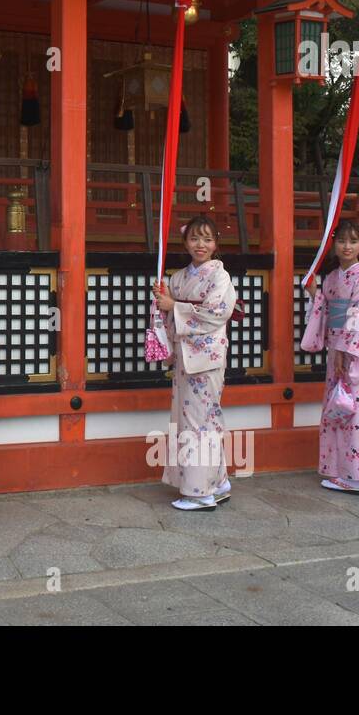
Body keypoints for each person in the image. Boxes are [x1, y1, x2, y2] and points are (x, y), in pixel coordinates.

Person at [153, 214, 237, 511]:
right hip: (185, 358)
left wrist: (174, 306)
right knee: (201, 419)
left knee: (199, 421)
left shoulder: (220, 276)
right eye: (195, 238)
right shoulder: (178, 278)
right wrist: (162, 300)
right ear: (186, 242)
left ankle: (200, 492)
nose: (201, 244)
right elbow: (167, 313)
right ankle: (219, 481)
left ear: (216, 244)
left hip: (208, 357)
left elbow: (217, 312)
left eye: (207, 239)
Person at [302, 220, 359, 494]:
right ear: (334, 244)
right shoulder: (333, 278)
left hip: (355, 353)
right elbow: (327, 307)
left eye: (353, 241)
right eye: (341, 241)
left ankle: (353, 477)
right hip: (340, 350)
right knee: (352, 410)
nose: (347, 246)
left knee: (354, 411)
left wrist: (344, 350)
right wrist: (314, 294)